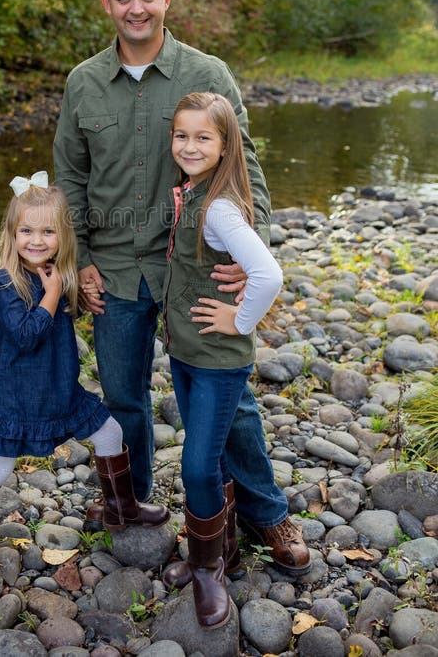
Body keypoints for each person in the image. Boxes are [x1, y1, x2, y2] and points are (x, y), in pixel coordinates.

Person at [53, 0, 308, 575]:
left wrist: (252, 250)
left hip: (196, 264)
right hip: (115, 266)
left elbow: (245, 168)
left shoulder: (207, 73)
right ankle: (133, 496)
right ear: (107, 3)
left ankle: (265, 513)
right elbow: (70, 179)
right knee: (123, 395)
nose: (136, 8)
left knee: (230, 401)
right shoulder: (83, 82)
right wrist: (78, 261)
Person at [0, 171, 169, 569]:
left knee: (109, 431)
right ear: (12, 234)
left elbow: (64, 316)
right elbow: (25, 336)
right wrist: (53, 295)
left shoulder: (55, 272)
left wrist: (75, 293)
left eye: (48, 232)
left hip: (60, 388)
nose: (36, 241)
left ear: (63, 237)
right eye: (26, 231)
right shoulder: (7, 282)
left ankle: (122, 506)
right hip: (18, 395)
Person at [162, 92, 308, 627]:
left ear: (226, 146)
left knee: (197, 465)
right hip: (186, 353)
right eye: (182, 136)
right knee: (216, 459)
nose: (190, 146)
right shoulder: (191, 191)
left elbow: (268, 274)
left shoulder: (219, 208)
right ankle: (223, 551)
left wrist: (239, 321)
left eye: (203, 137)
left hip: (217, 363)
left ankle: (207, 571)